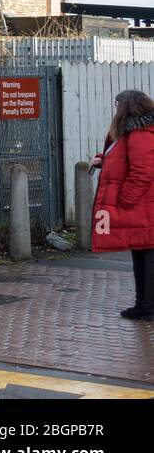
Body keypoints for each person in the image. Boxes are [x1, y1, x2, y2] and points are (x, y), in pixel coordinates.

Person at [91, 89, 154, 320]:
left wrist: (125, 199)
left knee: (145, 255)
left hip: (142, 205)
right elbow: (127, 161)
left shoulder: (140, 133)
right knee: (143, 254)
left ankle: (145, 306)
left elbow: (143, 170)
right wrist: (104, 161)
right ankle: (144, 305)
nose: (115, 109)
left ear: (126, 107)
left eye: (117, 104)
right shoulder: (137, 130)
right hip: (144, 204)